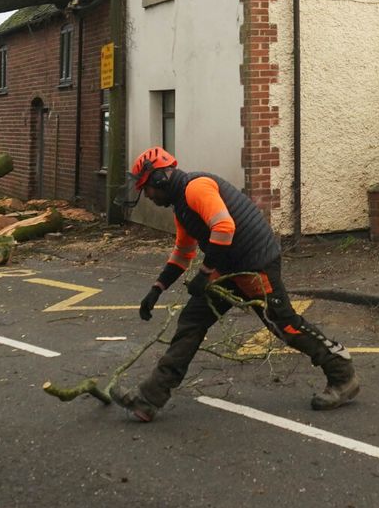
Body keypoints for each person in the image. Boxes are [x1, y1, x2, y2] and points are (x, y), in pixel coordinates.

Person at [116, 148, 358, 420]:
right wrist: (157, 288)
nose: (147, 196)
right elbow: (183, 253)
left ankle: (342, 374)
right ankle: (149, 399)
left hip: (255, 264)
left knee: (284, 325)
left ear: (160, 179)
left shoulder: (196, 188)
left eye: (147, 188)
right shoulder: (182, 207)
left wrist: (205, 273)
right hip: (228, 266)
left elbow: (224, 227)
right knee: (191, 322)